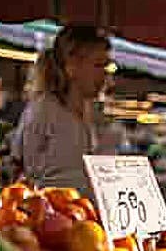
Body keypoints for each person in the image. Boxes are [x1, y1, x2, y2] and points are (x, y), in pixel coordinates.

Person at [10, 24, 112, 194]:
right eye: (98, 65)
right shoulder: (43, 110)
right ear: (71, 67)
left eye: (106, 67)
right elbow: (26, 172)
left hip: (83, 213)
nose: (105, 75)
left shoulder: (91, 113)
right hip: (52, 211)